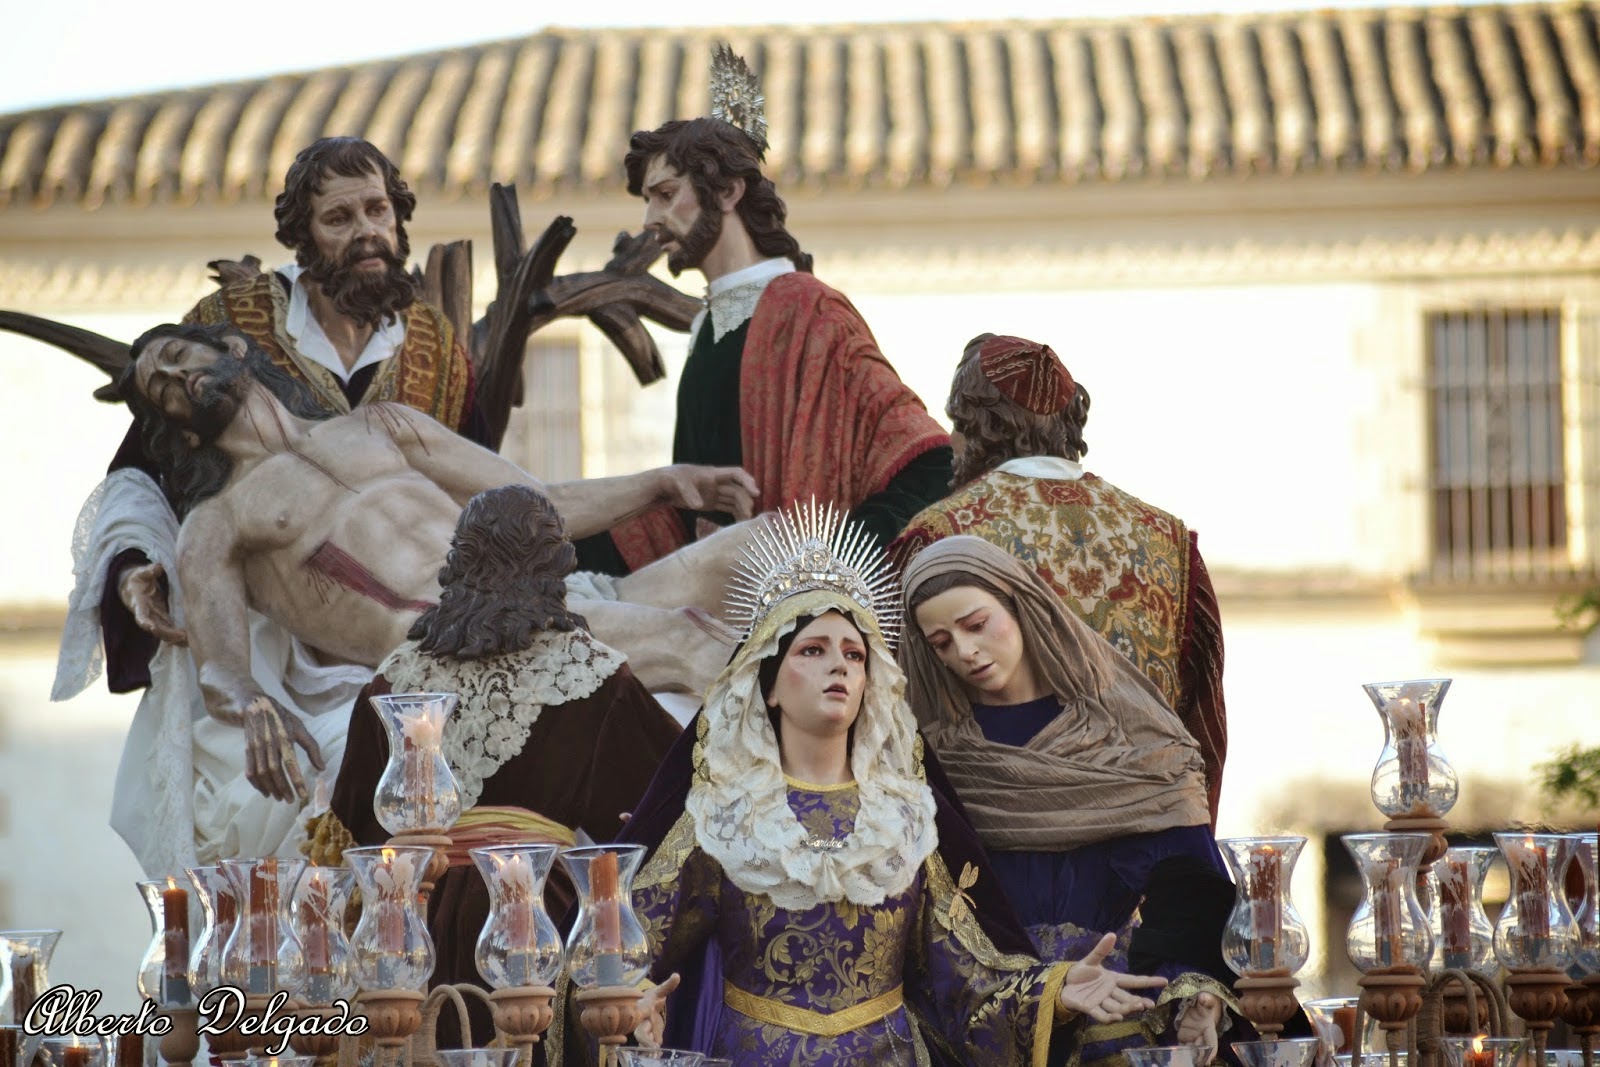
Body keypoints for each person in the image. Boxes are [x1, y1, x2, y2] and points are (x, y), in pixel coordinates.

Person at [71, 320, 756, 873]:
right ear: (179, 428)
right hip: (435, 656)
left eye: (178, 356)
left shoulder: (383, 426)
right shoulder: (217, 521)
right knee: (686, 642)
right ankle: (749, 850)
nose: (177, 378)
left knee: (704, 629)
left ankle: (779, 838)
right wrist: (251, 705)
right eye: (160, 389)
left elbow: (537, 502)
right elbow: (221, 665)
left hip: (527, 608)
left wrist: (661, 483)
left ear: (233, 347)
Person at [564, 504, 1169, 1067]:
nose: (839, 666)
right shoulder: (723, 816)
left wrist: (1054, 994)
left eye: (855, 655)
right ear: (768, 684)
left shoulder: (903, 818)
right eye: (813, 650)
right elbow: (617, 956)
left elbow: (968, 985)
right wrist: (629, 1002)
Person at [102, 136, 488, 696]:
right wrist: (131, 568)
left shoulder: (434, 342)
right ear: (303, 236)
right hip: (271, 648)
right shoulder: (228, 325)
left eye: (377, 210)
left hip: (431, 626)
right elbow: (142, 470)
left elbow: (475, 486)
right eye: (338, 218)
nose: (366, 232)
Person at [320, 484, 681, 1045]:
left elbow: (343, 838)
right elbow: (666, 808)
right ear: (552, 567)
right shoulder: (593, 677)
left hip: (411, 935)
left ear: (459, 563)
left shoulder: (395, 679)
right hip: (538, 924)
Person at [577, 49, 951, 575]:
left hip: (794, 614)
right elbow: (695, 511)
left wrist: (832, 563)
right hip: (712, 601)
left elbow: (926, 459)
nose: (649, 220)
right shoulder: (710, 322)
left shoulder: (808, 309)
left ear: (728, 191)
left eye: (665, 195)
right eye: (646, 200)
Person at [900, 535, 1241, 1065]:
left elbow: (1190, 884)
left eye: (975, 624)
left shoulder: (1130, 732)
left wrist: (1194, 996)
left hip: (1119, 1010)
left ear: (1021, 605)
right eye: (941, 642)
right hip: (989, 1020)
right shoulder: (931, 759)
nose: (964, 652)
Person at [890, 334, 1228, 824]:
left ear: (973, 422)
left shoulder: (939, 537)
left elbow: (898, 707)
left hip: (999, 852)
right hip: (1148, 844)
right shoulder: (1167, 540)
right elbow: (1204, 722)